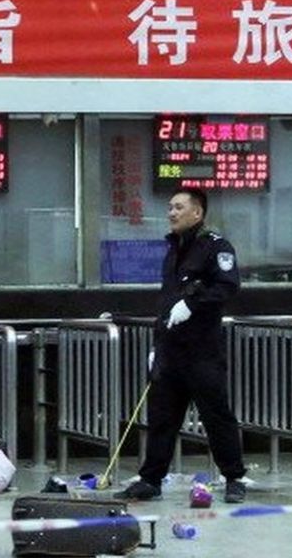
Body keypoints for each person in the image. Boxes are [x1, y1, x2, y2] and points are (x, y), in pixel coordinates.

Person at [115, 188, 247, 504]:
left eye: (178, 207)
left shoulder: (215, 247)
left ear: (197, 212)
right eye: (170, 207)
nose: (171, 213)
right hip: (171, 351)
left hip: (202, 351)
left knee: (216, 415)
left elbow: (227, 287)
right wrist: (157, 345)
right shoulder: (174, 250)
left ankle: (233, 478)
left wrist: (193, 304)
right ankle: (151, 479)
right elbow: (167, 301)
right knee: (162, 418)